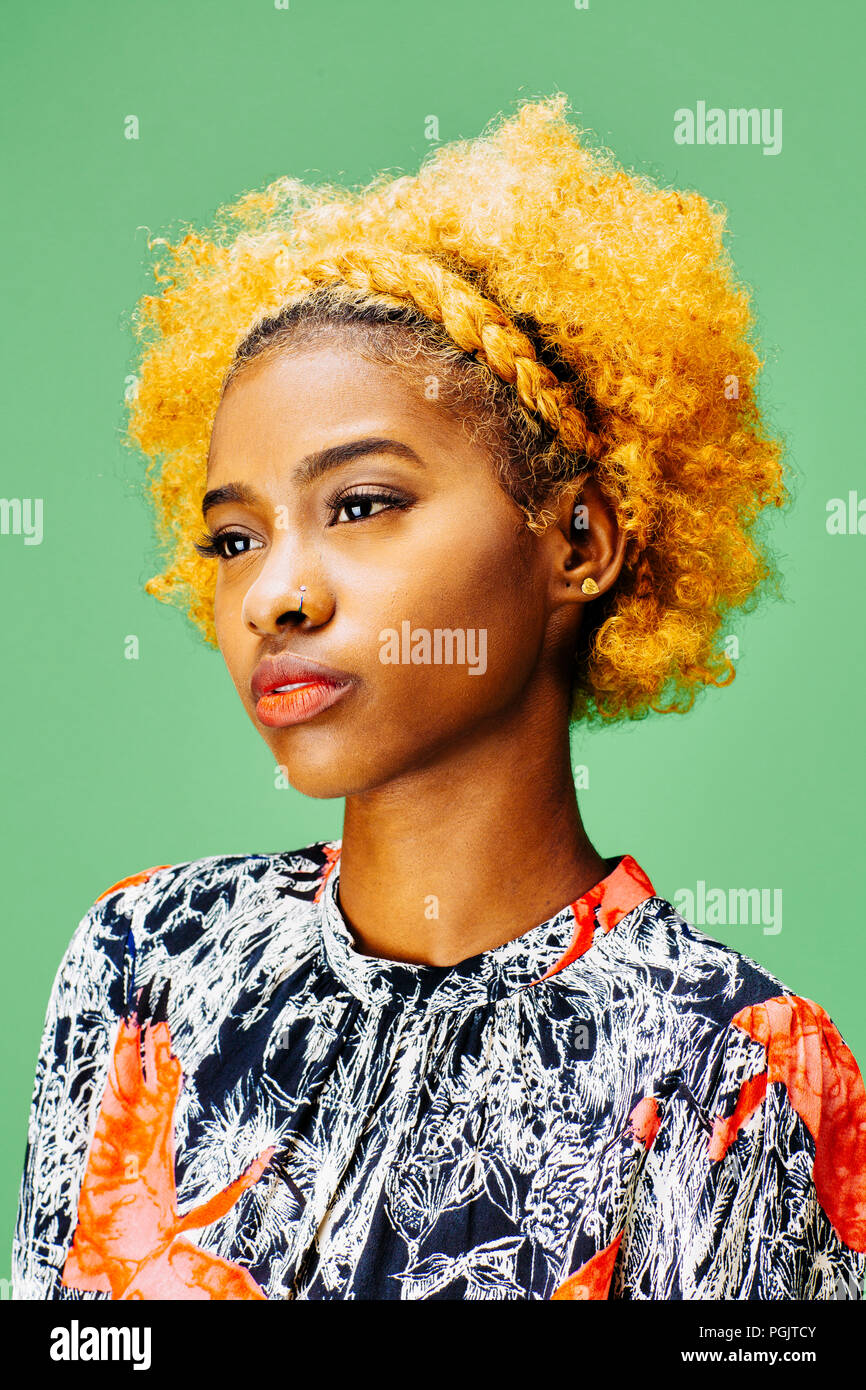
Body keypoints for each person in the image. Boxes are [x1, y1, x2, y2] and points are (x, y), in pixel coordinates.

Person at [13, 94, 866, 1301]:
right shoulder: (145, 961)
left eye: (359, 504)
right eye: (233, 539)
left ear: (577, 540)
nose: (274, 595)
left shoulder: (739, 1076)